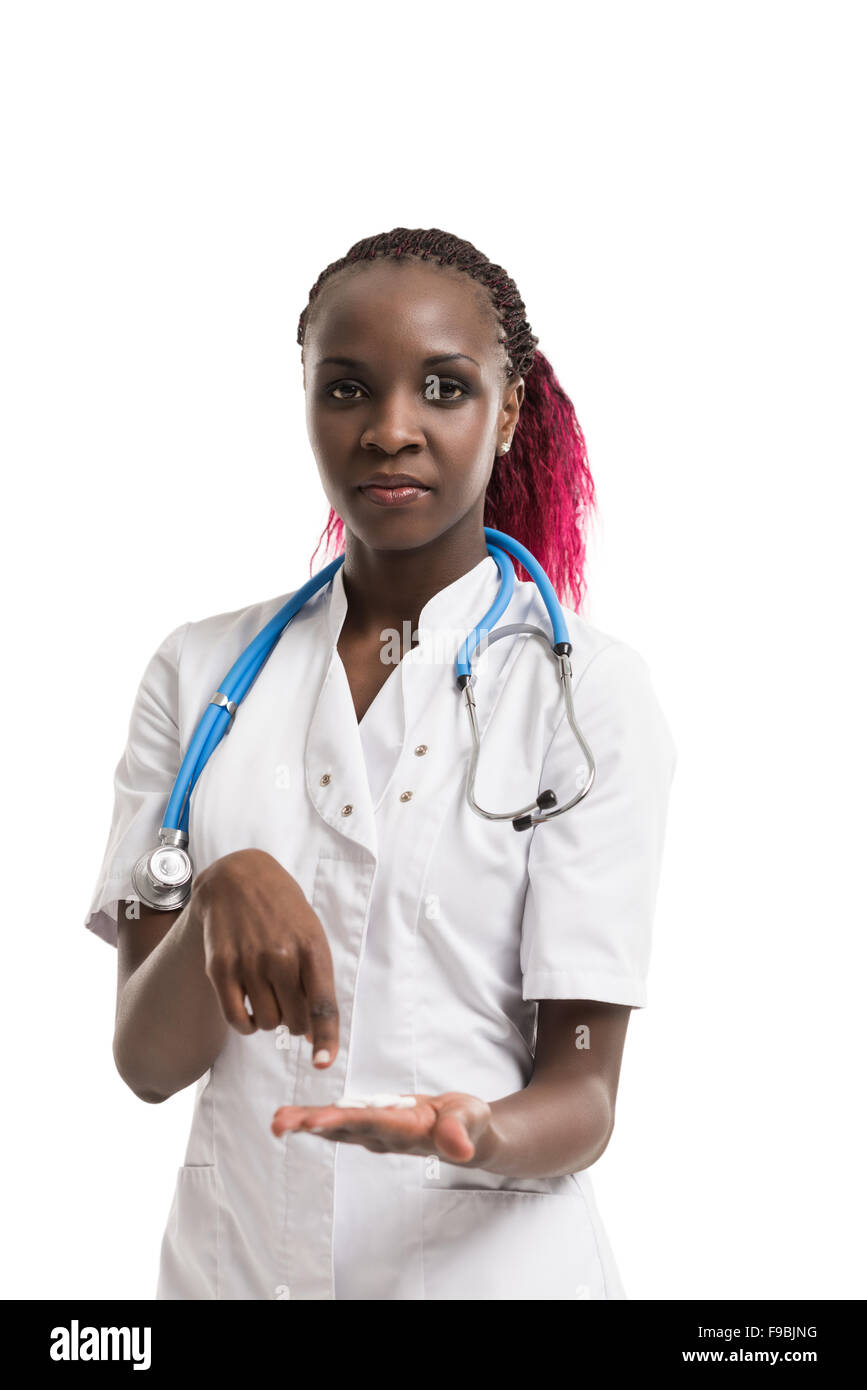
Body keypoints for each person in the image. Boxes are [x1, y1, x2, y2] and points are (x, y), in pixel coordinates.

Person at [85, 226, 677, 1300]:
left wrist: (474, 1130)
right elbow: (147, 1062)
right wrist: (217, 894)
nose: (390, 429)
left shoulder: (582, 691)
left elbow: (585, 1094)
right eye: (347, 388)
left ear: (507, 412)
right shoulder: (197, 671)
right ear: (308, 402)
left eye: (443, 388)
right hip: (237, 1269)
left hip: (486, 1274)